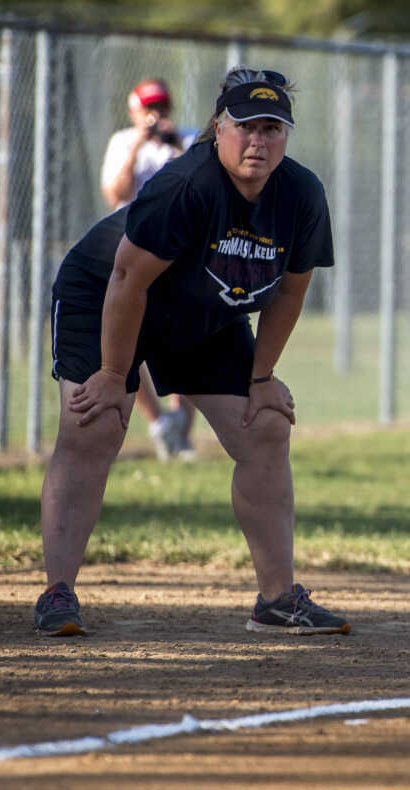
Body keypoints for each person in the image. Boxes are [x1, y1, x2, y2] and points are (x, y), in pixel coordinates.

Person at [34, 67, 350, 638]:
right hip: (104, 294)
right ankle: (58, 593)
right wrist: (112, 373)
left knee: (265, 427)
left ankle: (277, 601)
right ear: (218, 128)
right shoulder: (189, 184)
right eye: (245, 126)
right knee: (95, 423)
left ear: (286, 136)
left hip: (203, 311)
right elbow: (126, 279)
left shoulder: (300, 194)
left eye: (272, 128)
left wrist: (262, 378)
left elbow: (290, 291)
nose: (258, 141)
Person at [100, 77, 199, 461]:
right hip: (131, 251)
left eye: (162, 107)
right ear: (134, 112)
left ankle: (182, 432)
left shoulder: (189, 140)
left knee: (186, 342)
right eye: (148, 108)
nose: (155, 115)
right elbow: (116, 193)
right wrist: (139, 145)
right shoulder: (123, 142)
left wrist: (175, 146)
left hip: (179, 253)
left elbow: (202, 191)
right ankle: (159, 423)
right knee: (127, 342)